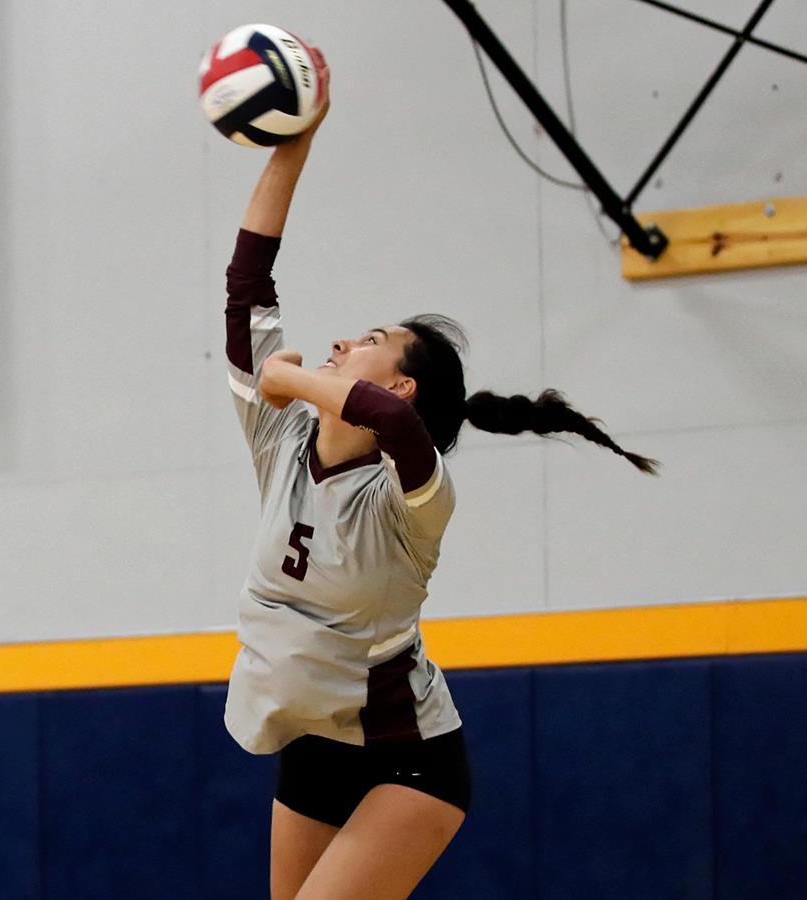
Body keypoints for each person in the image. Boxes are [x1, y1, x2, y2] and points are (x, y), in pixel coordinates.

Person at [221, 59, 657, 900]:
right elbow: (247, 285)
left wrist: (291, 379)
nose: (344, 340)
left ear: (404, 383)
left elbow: (391, 425)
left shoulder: (412, 492)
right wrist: (293, 144)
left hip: (407, 757)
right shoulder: (282, 441)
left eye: (370, 337)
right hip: (313, 738)